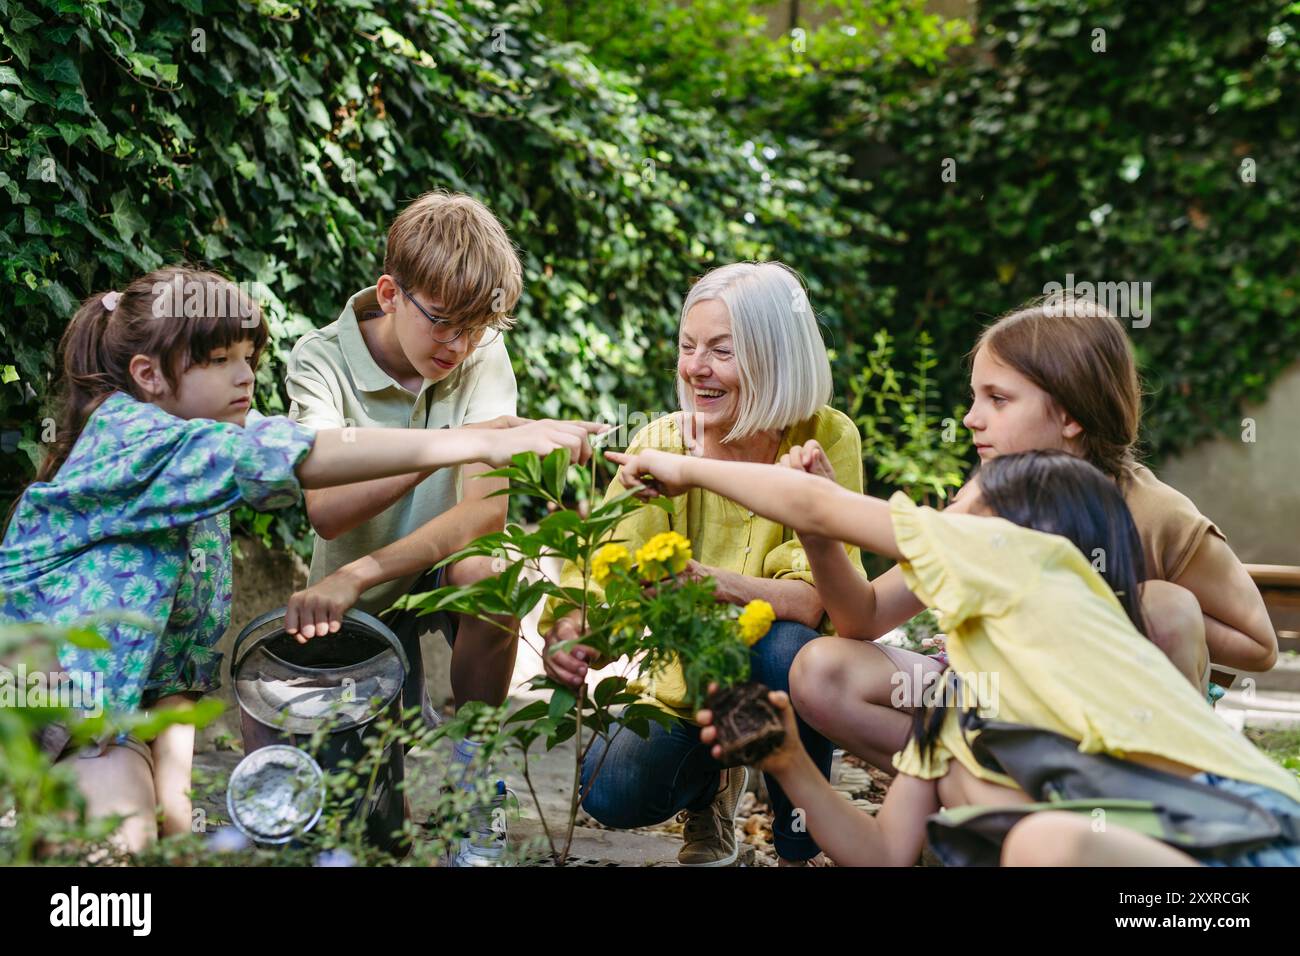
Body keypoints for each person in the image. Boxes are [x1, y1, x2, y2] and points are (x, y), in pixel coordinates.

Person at [0, 266, 602, 854]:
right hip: (20, 705)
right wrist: (478, 440)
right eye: (220, 360)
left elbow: (176, 678)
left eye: (249, 359)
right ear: (147, 375)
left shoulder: (204, 492)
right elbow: (305, 455)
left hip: (102, 732)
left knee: (119, 852)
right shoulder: (131, 434)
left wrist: (180, 832)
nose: (245, 377)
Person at [609, 444, 1300, 866]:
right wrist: (789, 761)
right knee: (1026, 840)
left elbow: (816, 509)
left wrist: (682, 467)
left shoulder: (1036, 564)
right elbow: (882, 853)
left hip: (1248, 842)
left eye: (967, 506)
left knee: (1038, 845)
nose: (945, 515)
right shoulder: (952, 709)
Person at [781, 296, 1274, 770]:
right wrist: (817, 535)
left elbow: (1259, 646)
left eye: (997, 399)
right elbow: (864, 618)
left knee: (1166, 604)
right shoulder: (985, 503)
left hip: (1112, 719)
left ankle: (1145, 809)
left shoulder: (1156, 513)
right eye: (974, 397)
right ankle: (969, 792)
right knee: (822, 671)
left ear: (1071, 414)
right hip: (1003, 699)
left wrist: (1097, 600)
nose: (972, 419)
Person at [541, 261, 865, 866]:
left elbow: (815, 599)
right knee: (608, 790)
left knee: (792, 649)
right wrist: (570, 633)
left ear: (775, 357)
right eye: (688, 347)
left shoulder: (825, 436)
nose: (695, 368)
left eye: (721, 350)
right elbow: (603, 571)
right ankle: (711, 790)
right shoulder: (659, 444)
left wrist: (710, 584)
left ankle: (805, 844)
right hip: (684, 687)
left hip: (779, 669)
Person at [280, 191, 527, 864]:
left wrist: (364, 568)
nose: (460, 345)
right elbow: (325, 506)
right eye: (444, 322)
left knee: (494, 571)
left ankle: (477, 782)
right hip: (355, 605)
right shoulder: (319, 360)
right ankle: (393, 741)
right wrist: (443, 447)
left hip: (433, 565)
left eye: (476, 326)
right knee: (372, 832)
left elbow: (486, 512)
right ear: (390, 293)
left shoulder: (483, 352)